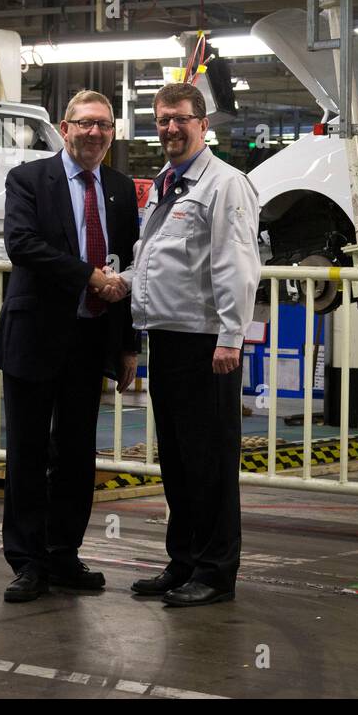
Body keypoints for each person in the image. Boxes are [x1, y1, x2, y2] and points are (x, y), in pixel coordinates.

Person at [0, 90, 139, 603]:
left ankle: (63, 555)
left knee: (76, 455)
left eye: (104, 125)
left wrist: (129, 345)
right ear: (64, 126)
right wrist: (89, 277)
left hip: (90, 339)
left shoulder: (120, 188)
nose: (94, 133)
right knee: (28, 454)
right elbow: (22, 245)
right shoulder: (29, 179)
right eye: (85, 124)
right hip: (34, 338)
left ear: (112, 132)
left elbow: (127, 265)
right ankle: (27, 563)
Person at [120, 82, 260, 607]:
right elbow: (158, 255)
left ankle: (216, 571)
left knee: (211, 462)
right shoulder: (167, 182)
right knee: (177, 462)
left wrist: (231, 337)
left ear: (204, 124)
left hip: (208, 345)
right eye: (161, 120)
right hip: (168, 339)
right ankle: (182, 562)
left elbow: (236, 263)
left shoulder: (225, 184)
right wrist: (123, 281)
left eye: (179, 118)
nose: (170, 128)